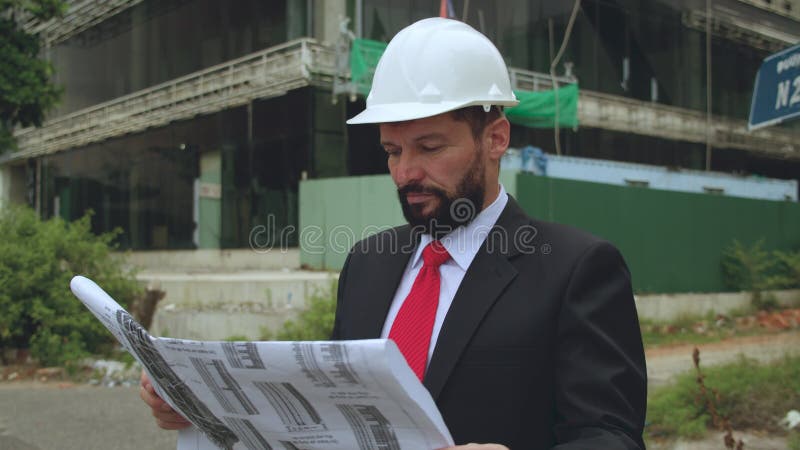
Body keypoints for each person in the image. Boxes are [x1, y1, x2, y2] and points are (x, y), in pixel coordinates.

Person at [141, 17, 647, 449]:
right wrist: (207, 407)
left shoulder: (576, 270)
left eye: (428, 147)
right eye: (392, 151)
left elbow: (611, 436)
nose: (405, 173)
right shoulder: (368, 263)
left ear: (495, 138)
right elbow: (326, 409)